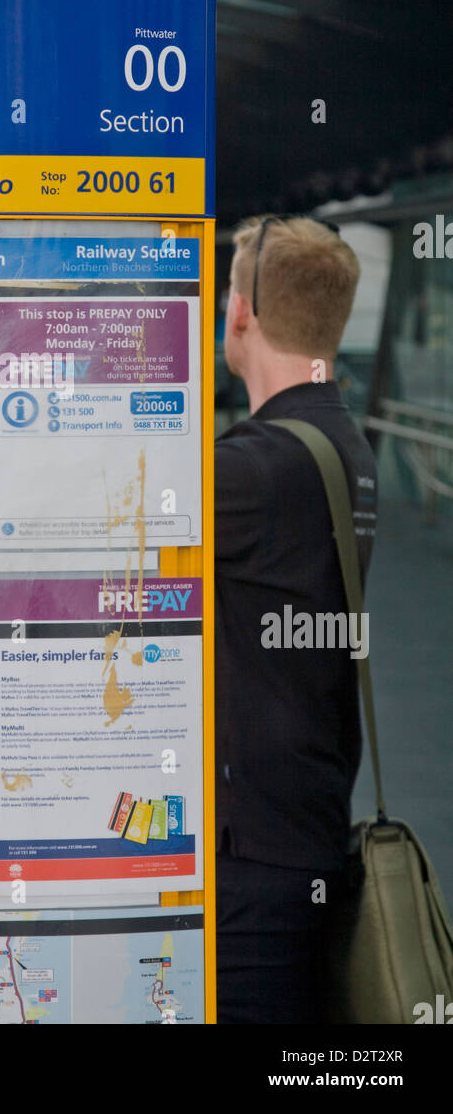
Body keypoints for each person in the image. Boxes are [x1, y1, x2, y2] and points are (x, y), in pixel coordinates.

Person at [215, 215, 378, 1025]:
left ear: (241, 313)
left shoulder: (261, 467)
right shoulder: (341, 440)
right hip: (303, 826)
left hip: (259, 859)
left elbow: (100, 505)